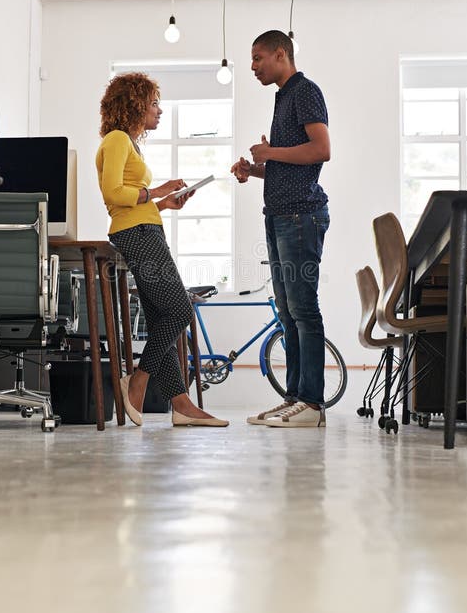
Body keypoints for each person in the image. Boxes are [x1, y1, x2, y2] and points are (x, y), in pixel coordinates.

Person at [96, 72, 229, 428]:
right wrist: (156, 191)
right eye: (154, 103)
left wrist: (164, 203)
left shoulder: (128, 143)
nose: (159, 110)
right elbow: (112, 193)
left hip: (144, 227)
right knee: (181, 309)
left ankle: (181, 405)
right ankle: (137, 381)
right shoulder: (117, 139)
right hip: (137, 233)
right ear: (135, 104)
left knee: (160, 319)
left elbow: (130, 201)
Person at [231, 30, 330, 428]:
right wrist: (257, 169)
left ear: (280, 54)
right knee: (288, 313)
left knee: (303, 310)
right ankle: (294, 398)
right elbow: (293, 165)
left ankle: (312, 403)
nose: (253, 66)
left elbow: (321, 149)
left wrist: (270, 152)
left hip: (301, 217)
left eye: (258, 58)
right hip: (279, 215)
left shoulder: (305, 91)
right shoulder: (284, 97)